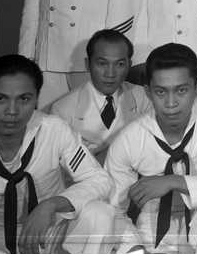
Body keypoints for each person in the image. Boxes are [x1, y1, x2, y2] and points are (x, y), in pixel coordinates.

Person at [0, 55, 115, 254]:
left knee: (100, 212)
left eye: (23, 99)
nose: (12, 111)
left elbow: (99, 179)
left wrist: (51, 204)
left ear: (36, 99)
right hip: (1, 248)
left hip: (56, 233)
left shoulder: (54, 130)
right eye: (0, 99)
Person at [105, 44, 197, 254]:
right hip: (153, 224)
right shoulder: (129, 139)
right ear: (148, 92)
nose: (171, 103)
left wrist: (173, 182)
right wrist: (136, 250)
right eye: (160, 92)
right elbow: (114, 210)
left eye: (181, 90)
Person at [49, 29, 152, 165]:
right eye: (102, 64)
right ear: (88, 64)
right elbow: (56, 166)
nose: (110, 74)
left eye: (120, 64)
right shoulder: (62, 111)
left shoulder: (146, 98)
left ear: (129, 66)